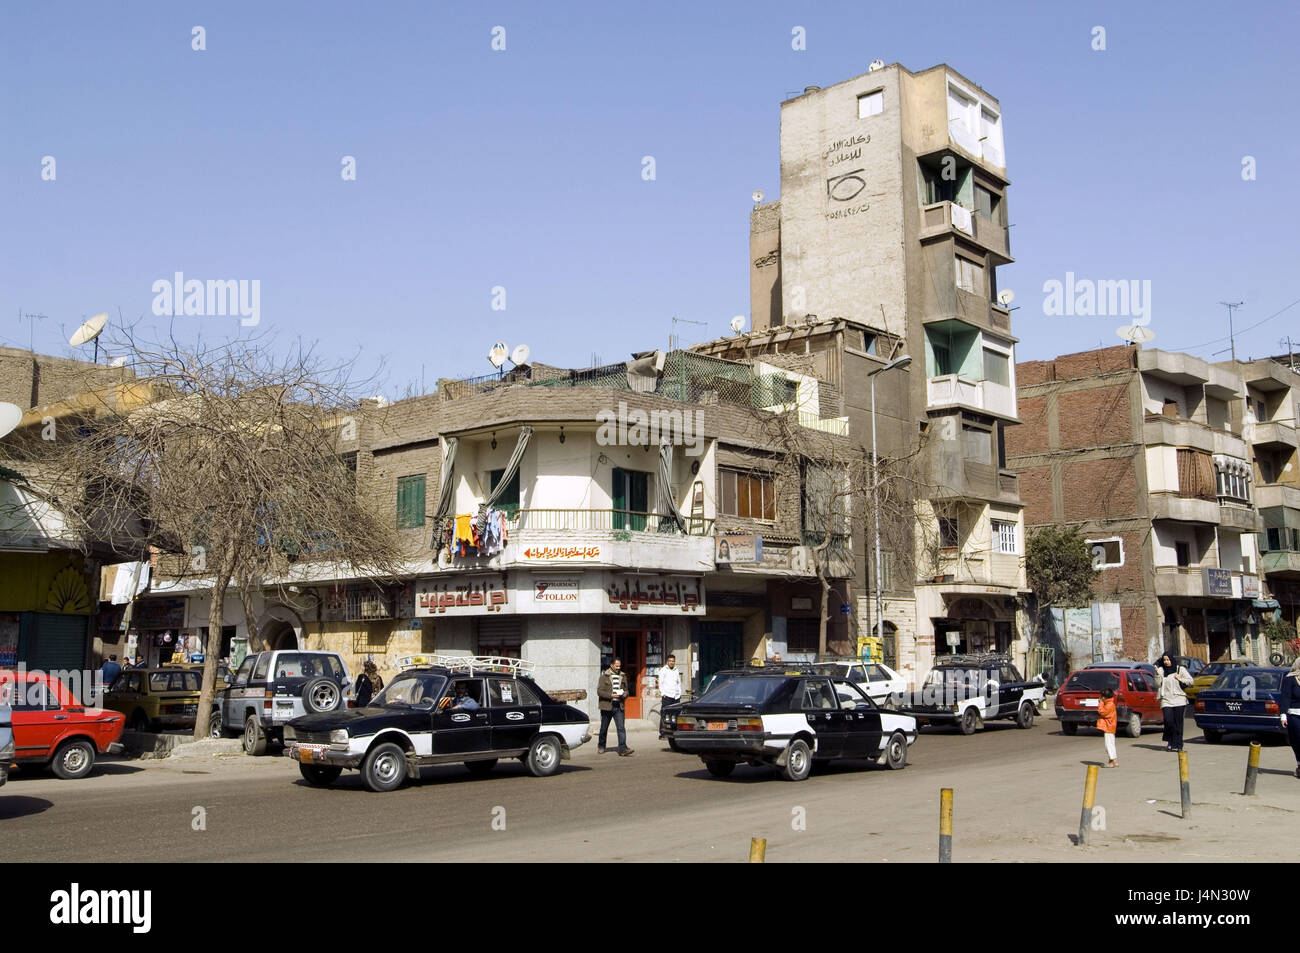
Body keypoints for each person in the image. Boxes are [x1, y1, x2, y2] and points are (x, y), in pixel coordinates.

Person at [1155, 653, 1193, 752]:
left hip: (1179, 699)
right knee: (1168, 721)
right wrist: (1158, 675)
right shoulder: (1161, 671)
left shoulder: (1180, 669)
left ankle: (1178, 744)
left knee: (1178, 723)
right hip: (1166, 700)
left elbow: (1191, 681)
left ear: (1172, 660)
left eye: (1168, 660)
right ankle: (1170, 741)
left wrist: (1180, 678)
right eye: (1164, 660)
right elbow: (1157, 684)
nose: (1166, 662)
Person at [597, 658, 633, 756]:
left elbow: (627, 691)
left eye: (619, 666)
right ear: (611, 665)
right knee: (604, 728)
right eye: (616, 666)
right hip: (607, 706)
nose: (618, 668)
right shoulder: (604, 676)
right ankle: (601, 746)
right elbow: (599, 692)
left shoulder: (623, 676)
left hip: (619, 706)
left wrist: (624, 694)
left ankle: (623, 748)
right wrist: (611, 695)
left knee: (621, 728)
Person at [1281, 658, 1300, 780]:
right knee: (1297, 741)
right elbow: (1285, 698)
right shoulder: (1290, 679)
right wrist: (1283, 715)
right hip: (1294, 715)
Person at [657, 655, 682, 729]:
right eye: (670, 661)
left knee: (675, 714)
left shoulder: (676, 670)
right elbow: (660, 683)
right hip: (667, 696)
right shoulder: (663, 670)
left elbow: (678, 682)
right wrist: (663, 694)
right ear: (667, 661)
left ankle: (673, 729)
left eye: (673, 661)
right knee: (665, 714)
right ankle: (663, 731)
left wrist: (679, 693)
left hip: (676, 696)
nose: (671, 662)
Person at [1097, 685, 1118, 768]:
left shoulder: (1109, 705)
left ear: (1104, 697)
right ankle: (1113, 761)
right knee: (1110, 744)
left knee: (1108, 745)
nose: (1100, 698)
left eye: (1101, 697)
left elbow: (1102, 712)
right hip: (1109, 726)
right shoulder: (1109, 703)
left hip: (1109, 727)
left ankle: (1113, 761)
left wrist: (1100, 703)